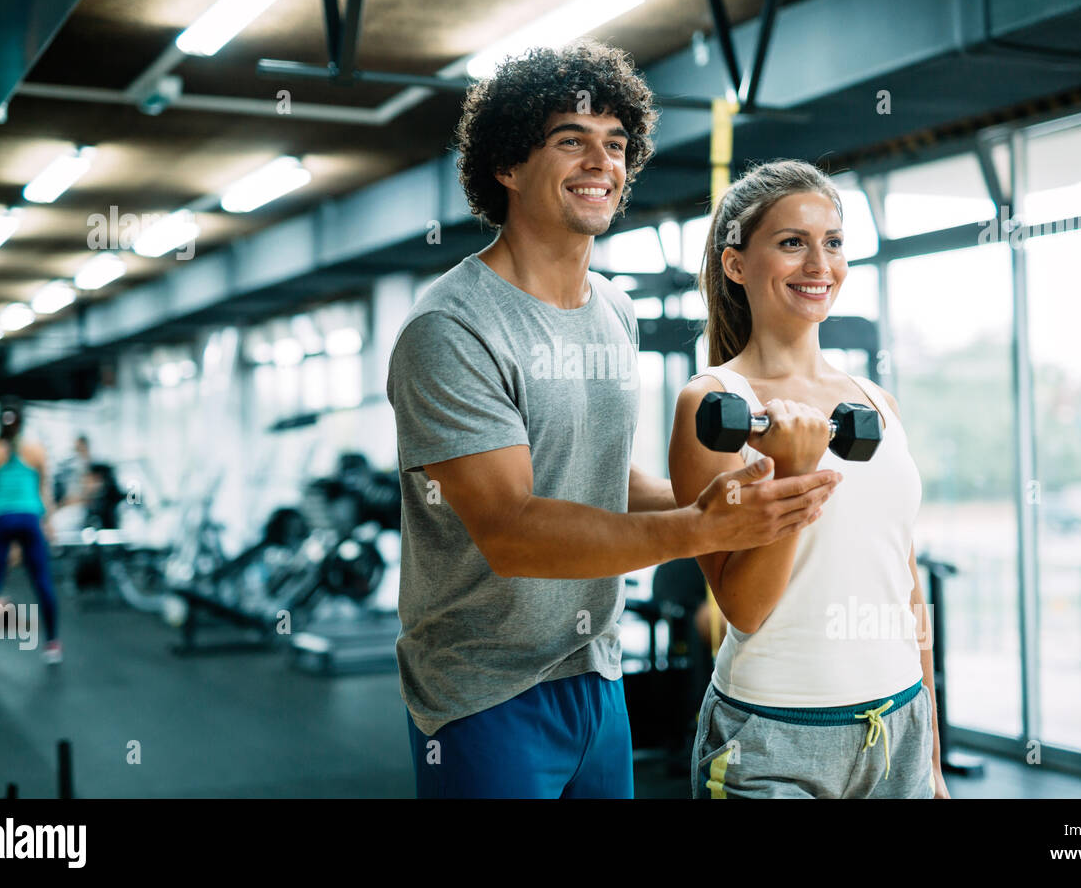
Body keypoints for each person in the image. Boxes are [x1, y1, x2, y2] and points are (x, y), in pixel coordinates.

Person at [386, 41, 838, 799]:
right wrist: (703, 532)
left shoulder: (613, 311)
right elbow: (512, 529)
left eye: (617, 145)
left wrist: (725, 503)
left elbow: (601, 476)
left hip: (594, 673)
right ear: (505, 164)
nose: (603, 162)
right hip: (482, 692)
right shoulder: (453, 327)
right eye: (572, 141)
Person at [669, 159, 950, 799]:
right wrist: (795, 469)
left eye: (833, 243)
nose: (819, 265)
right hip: (771, 735)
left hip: (898, 722)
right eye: (792, 242)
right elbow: (743, 607)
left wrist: (930, 749)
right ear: (736, 264)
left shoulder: (876, 402)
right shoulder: (711, 403)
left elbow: (905, 583)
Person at [0, 399, 60, 670]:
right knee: (42, 581)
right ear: (22, 422)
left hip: (2, 520)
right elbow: (44, 491)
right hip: (30, 519)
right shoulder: (36, 451)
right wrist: (49, 522)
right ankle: (52, 643)